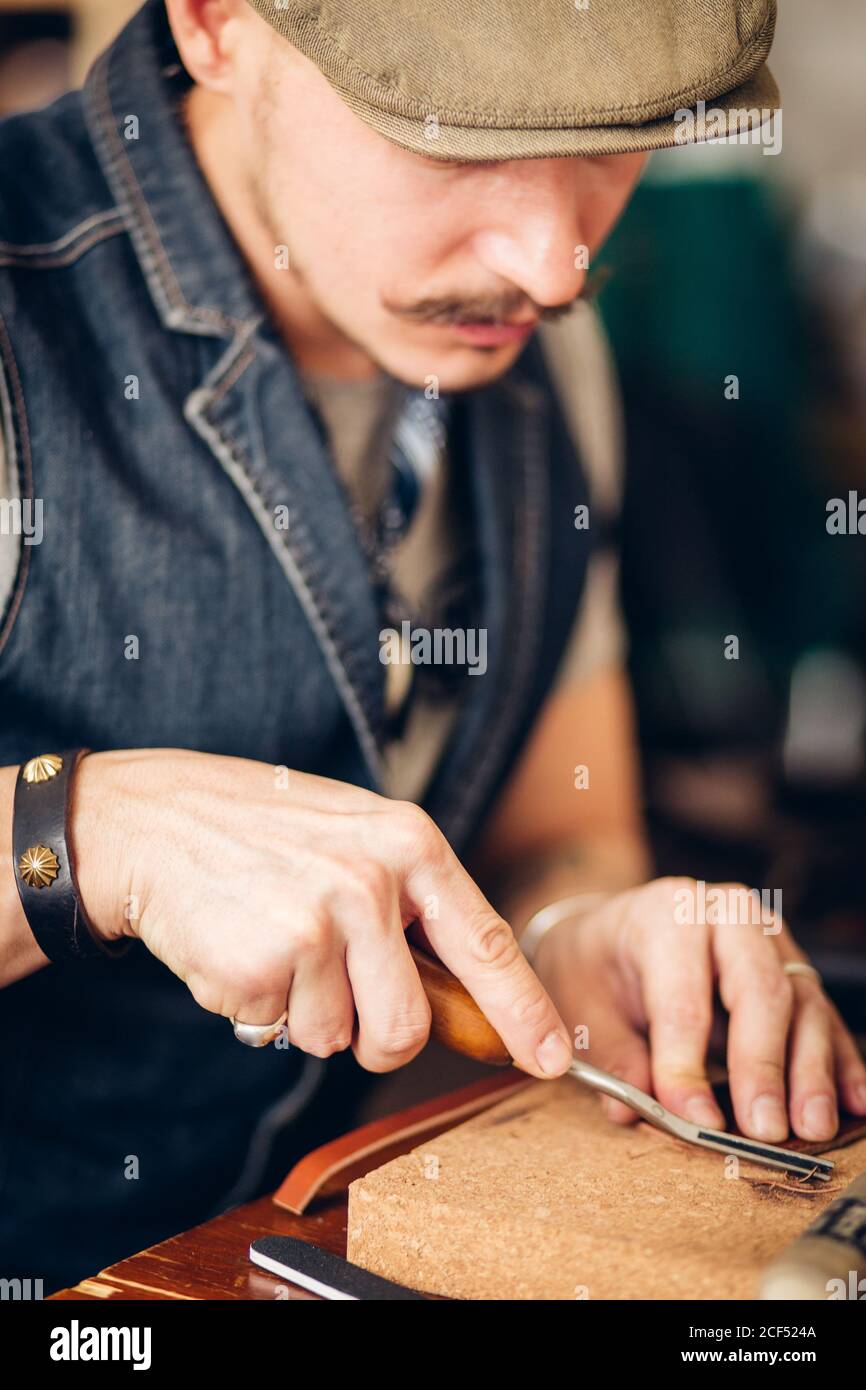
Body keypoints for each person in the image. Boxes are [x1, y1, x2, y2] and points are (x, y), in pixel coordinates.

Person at [1, 0, 863, 1291]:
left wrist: (574, 927)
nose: (557, 266)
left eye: (615, 139)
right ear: (217, 21)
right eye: (456, 141)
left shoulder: (535, 357)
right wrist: (90, 836)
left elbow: (556, 829)